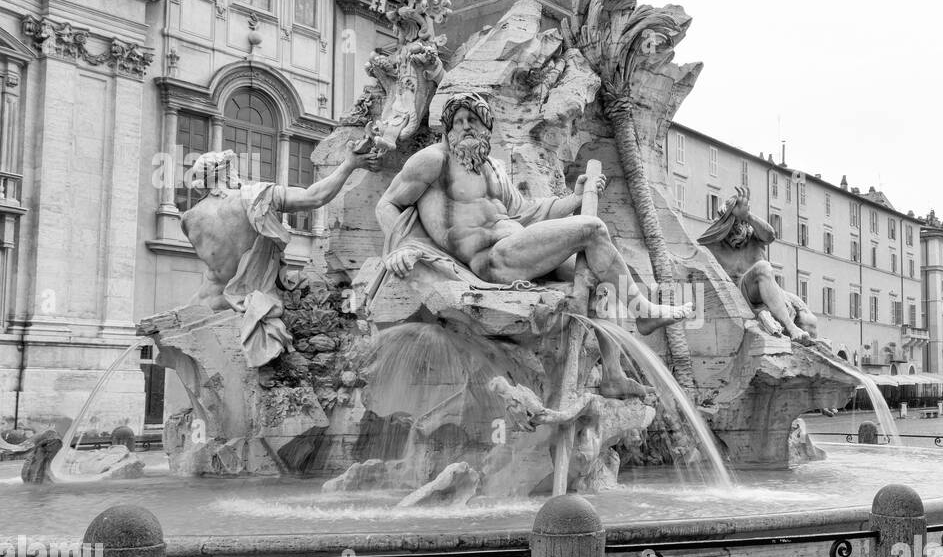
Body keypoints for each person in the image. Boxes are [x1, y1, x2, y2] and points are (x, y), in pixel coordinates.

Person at [375, 91, 691, 335]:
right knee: (592, 229)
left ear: (486, 128)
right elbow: (387, 204)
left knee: (598, 278)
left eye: (473, 120)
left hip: (519, 248)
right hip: (491, 261)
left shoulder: (493, 169)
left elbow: (525, 213)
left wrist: (575, 199)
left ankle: (612, 376)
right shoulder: (432, 161)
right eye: (458, 121)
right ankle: (643, 312)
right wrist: (400, 248)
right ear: (448, 130)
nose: (465, 126)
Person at [182, 144, 373, 366]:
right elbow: (315, 197)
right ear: (226, 173)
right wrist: (350, 164)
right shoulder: (254, 197)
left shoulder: (188, 219)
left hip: (206, 306)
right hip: (252, 305)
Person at [697, 185, 830, 348]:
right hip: (741, 294)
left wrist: (748, 216)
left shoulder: (755, 235)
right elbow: (700, 246)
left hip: (768, 290)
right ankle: (791, 327)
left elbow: (770, 235)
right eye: (734, 222)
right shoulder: (715, 244)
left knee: (807, 316)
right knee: (762, 268)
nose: (738, 227)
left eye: (741, 223)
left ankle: (814, 346)